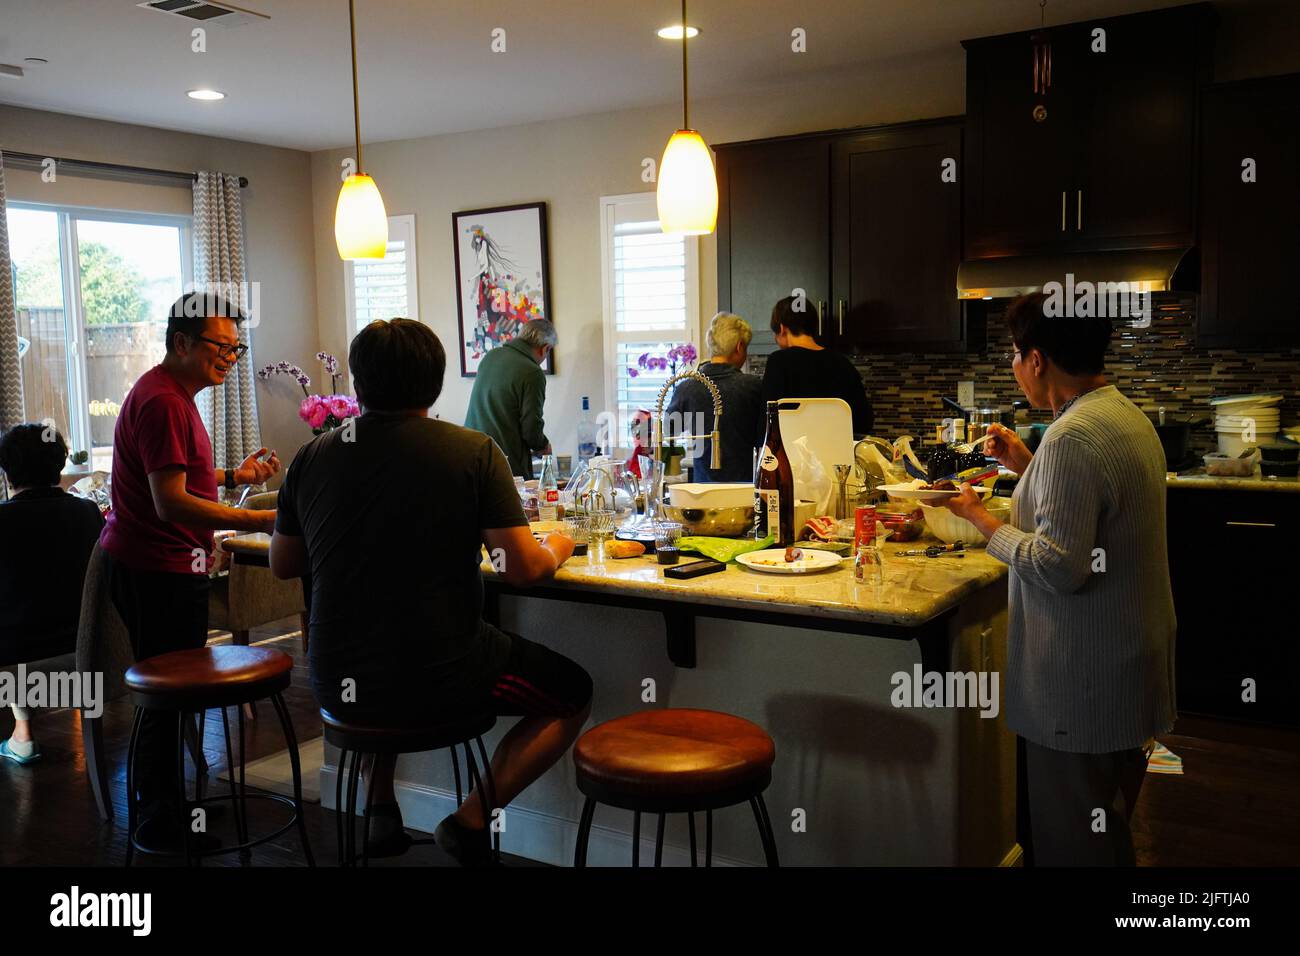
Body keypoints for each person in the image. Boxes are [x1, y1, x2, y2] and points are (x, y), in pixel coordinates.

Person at [270, 318, 592, 867]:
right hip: (443, 674)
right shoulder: (473, 452)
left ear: (357, 384)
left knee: (379, 641)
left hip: (336, 677)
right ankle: (470, 821)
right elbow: (520, 568)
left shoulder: (314, 456)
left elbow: (284, 564)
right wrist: (561, 542)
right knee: (572, 692)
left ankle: (379, 811)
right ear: (436, 383)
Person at [942, 292, 1174, 866]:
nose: (1016, 368)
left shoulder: (1072, 438)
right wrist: (1027, 460)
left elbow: (1057, 565)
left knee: (1075, 842)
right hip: (1131, 664)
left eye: (1016, 355)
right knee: (1106, 824)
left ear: (1038, 359)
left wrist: (977, 517)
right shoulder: (1123, 415)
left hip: (1082, 681)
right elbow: (1089, 502)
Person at [99, 291, 281, 849]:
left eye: (236, 347)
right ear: (181, 342)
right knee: (167, 695)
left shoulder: (172, 395)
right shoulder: (163, 401)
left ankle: (174, 808)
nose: (230, 357)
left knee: (174, 693)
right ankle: (159, 820)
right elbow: (169, 502)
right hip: (156, 568)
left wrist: (231, 475)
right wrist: (254, 518)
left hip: (166, 564)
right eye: (220, 346)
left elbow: (179, 474)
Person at [0, 424, 104, 764]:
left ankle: (23, 731)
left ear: (8, 472)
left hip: (19, 658)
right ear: (58, 465)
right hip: (92, 649)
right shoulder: (89, 512)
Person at [666, 312, 763, 482]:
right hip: (744, 491)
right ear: (740, 347)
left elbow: (668, 430)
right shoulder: (753, 387)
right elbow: (765, 439)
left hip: (703, 493)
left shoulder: (687, 388)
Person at [762, 296, 873, 436]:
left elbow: (767, 423)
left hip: (794, 455)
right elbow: (863, 422)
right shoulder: (842, 363)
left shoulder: (778, 362)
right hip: (838, 454)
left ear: (782, 328)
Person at [464, 318, 556, 478]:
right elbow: (531, 429)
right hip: (503, 465)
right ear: (544, 349)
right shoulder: (533, 373)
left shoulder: (490, 356)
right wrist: (544, 447)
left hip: (469, 454)